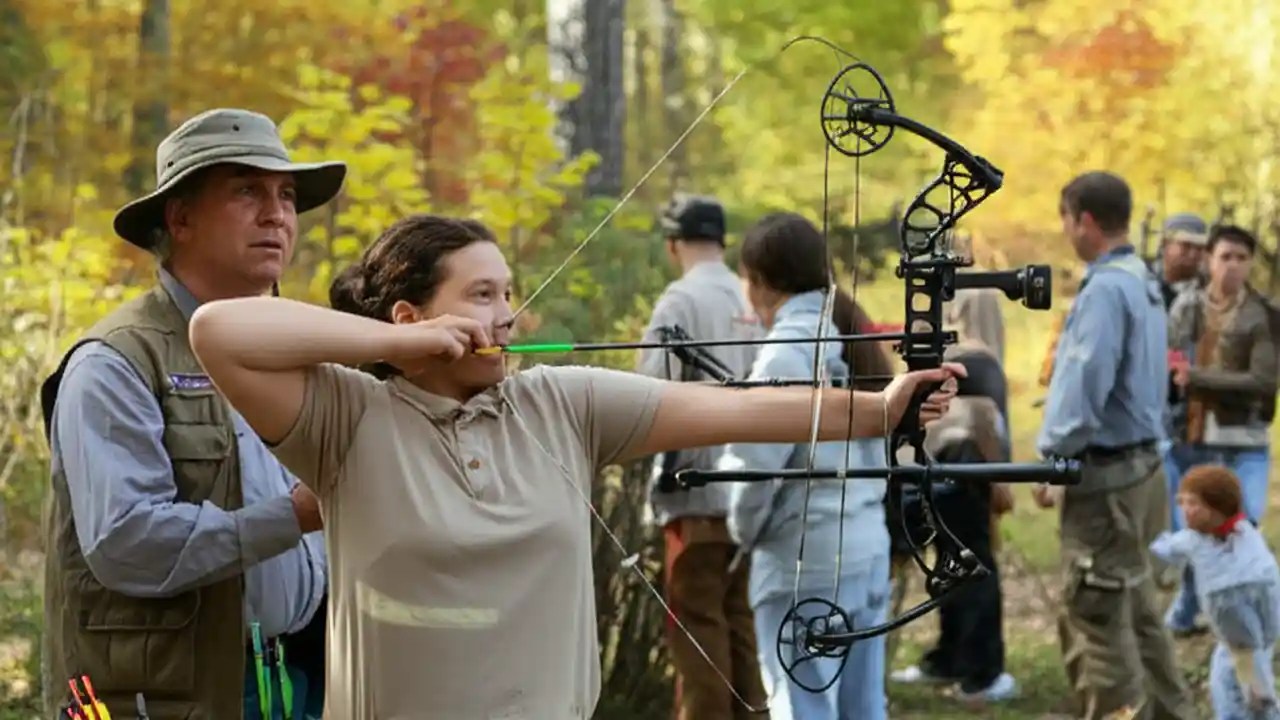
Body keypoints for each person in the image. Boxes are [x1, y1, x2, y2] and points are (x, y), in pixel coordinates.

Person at [185, 212, 964, 719]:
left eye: (509, 293)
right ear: (410, 316)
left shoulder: (561, 403)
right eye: (482, 295)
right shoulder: (344, 420)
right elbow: (220, 330)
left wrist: (882, 408)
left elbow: (735, 409)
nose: (507, 315)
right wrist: (396, 349)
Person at [39, 108, 341, 719]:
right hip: (164, 700)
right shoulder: (118, 360)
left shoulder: (304, 349)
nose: (277, 214)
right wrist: (296, 514)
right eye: (247, 191)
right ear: (180, 218)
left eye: (286, 195)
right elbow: (126, 542)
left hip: (297, 682)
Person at [716, 211, 892, 719]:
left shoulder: (785, 354)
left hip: (804, 565)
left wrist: (743, 531)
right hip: (866, 549)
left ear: (760, 283)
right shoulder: (848, 334)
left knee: (804, 708)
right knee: (863, 708)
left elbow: (753, 468)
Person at [1033, 171, 1195, 719]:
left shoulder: (1105, 288)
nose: (1065, 231)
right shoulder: (1141, 278)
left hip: (1107, 483)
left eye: (1066, 219)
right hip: (1143, 471)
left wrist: (1052, 459)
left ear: (1086, 221)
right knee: (1141, 608)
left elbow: (1084, 387)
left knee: (1099, 618)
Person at [635, 194, 767, 719]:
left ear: (673, 245)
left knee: (696, 628)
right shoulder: (752, 297)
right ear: (722, 242)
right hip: (753, 487)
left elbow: (648, 394)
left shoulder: (678, 301)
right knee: (739, 621)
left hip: (694, 491)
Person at [889, 325, 1017, 702]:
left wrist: (996, 482)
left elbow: (984, 416)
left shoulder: (974, 360)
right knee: (956, 564)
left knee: (966, 564)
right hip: (935, 459)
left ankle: (979, 671)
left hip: (953, 457)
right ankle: (960, 662)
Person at [1164, 224, 1279, 634]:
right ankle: (1188, 609)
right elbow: (1172, 361)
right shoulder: (1188, 307)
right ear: (1209, 260)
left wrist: (1197, 378)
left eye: (1241, 258)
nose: (1232, 265)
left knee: (1240, 523)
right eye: (1225, 256)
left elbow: (1263, 382)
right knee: (1197, 528)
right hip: (1191, 435)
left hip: (1243, 439)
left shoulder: (1262, 314)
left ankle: (1257, 612)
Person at [1150, 464, 1280, 719]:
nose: (1185, 511)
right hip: (1260, 625)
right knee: (1249, 669)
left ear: (1218, 509)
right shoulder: (1247, 532)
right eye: (1182, 502)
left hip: (1235, 622)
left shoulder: (1194, 541)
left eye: (1194, 504)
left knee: (1236, 681)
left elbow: (1162, 549)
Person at [1151, 213, 1209, 310]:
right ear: (1165, 244)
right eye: (1186, 246)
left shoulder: (1209, 291)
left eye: (1199, 248)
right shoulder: (1142, 285)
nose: (1193, 254)